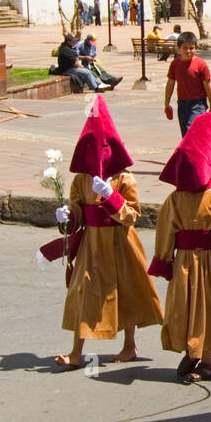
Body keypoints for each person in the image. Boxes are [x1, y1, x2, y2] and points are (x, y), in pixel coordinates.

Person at [38, 96, 164, 367]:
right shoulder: (81, 180)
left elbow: (132, 215)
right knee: (82, 292)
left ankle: (129, 345)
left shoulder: (125, 178)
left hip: (121, 242)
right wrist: (66, 216)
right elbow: (77, 213)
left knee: (127, 290)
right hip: (92, 244)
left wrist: (111, 197)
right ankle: (76, 352)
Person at [149, 112, 211, 382]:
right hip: (184, 264)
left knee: (209, 307)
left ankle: (208, 361)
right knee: (186, 306)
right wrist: (165, 261)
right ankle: (193, 350)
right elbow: (166, 233)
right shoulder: (174, 200)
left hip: (210, 263)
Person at [163, 31, 211, 135]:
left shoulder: (201, 64)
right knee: (185, 134)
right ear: (178, 49)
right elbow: (170, 84)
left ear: (196, 48)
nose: (188, 51)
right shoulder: (175, 64)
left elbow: (207, 85)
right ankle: (192, 151)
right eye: (185, 48)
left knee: (191, 130)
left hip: (198, 104)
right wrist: (166, 104)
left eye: (191, 48)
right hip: (182, 104)